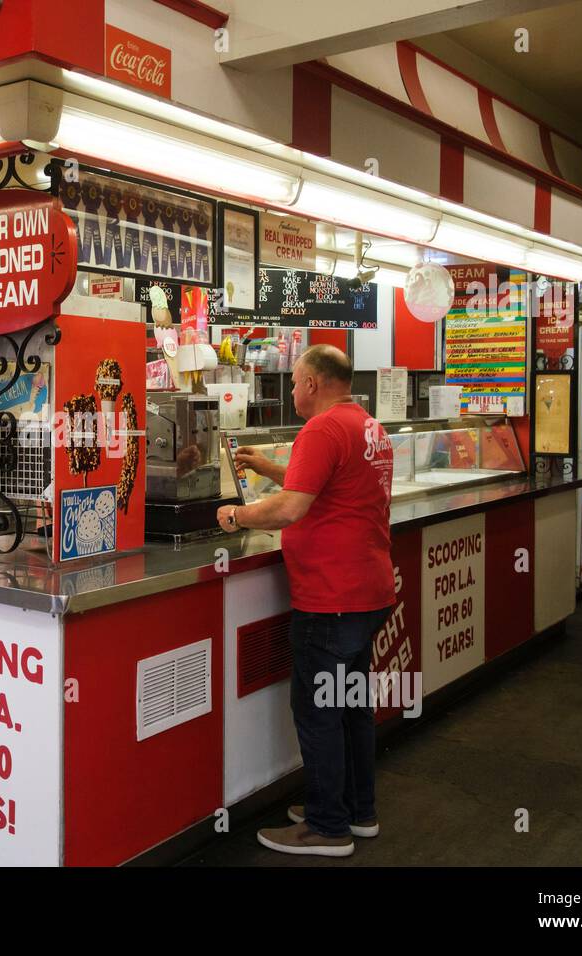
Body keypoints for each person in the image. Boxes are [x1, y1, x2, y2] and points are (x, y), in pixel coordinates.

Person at [215, 344, 396, 858]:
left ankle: (325, 827)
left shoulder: (320, 428)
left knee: (318, 710)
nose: (291, 389)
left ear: (313, 383)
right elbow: (326, 487)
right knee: (351, 707)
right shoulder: (366, 425)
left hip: (330, 597)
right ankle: (358, 811)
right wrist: (271, 467)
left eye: (294, 381)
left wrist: (237, 516)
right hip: (369, 591)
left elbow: (293, 508)